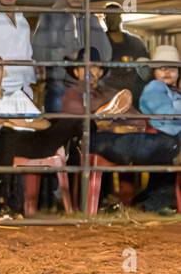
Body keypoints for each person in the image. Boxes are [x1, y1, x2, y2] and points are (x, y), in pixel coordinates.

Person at [60, 46, 180, 213]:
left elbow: (135, 118)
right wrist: (112, 126)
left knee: (163, 146)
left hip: (125, 137)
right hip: (93, 139)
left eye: (95, 67)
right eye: (84, 67)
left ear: (101, 72)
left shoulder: (112, 92)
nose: (90, 72)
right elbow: (75, 124)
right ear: (76, 71)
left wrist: (127, 126)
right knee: (164, 145)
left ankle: (151, 201)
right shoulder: (72, 94)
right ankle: (151, 199)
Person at [0, 53, 83, 216]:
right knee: (7, 134)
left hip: (31, 142)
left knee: (65, 120)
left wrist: (22, 123)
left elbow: (44, 123)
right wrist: (5, 119)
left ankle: (92, 123)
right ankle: (3, 202)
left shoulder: (17, 96)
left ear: (4, 71)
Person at [32, 0, 111, 114]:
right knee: (62, 125)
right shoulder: (50, 18)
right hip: (60, 84)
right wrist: (66, 54)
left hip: (90, 85)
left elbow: (106, 52)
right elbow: (38, 52)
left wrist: (93, 61)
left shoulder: (91, 20)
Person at [101, 1, 148, 92]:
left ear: (120, 18)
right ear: (104, 20)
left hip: (133, 93)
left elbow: (146, 71)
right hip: (107, 93)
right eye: (108, 17)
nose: (112, 20)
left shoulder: (135, 43)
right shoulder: (98, 43)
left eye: (114, 16)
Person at [138, 44, 181, 139]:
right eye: (162, 68)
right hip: (164, 137)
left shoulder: (174, 90)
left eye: (173, 68)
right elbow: (170, 116)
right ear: (153, 72)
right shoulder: (154, 86)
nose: (167, 72)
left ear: (178, 73)